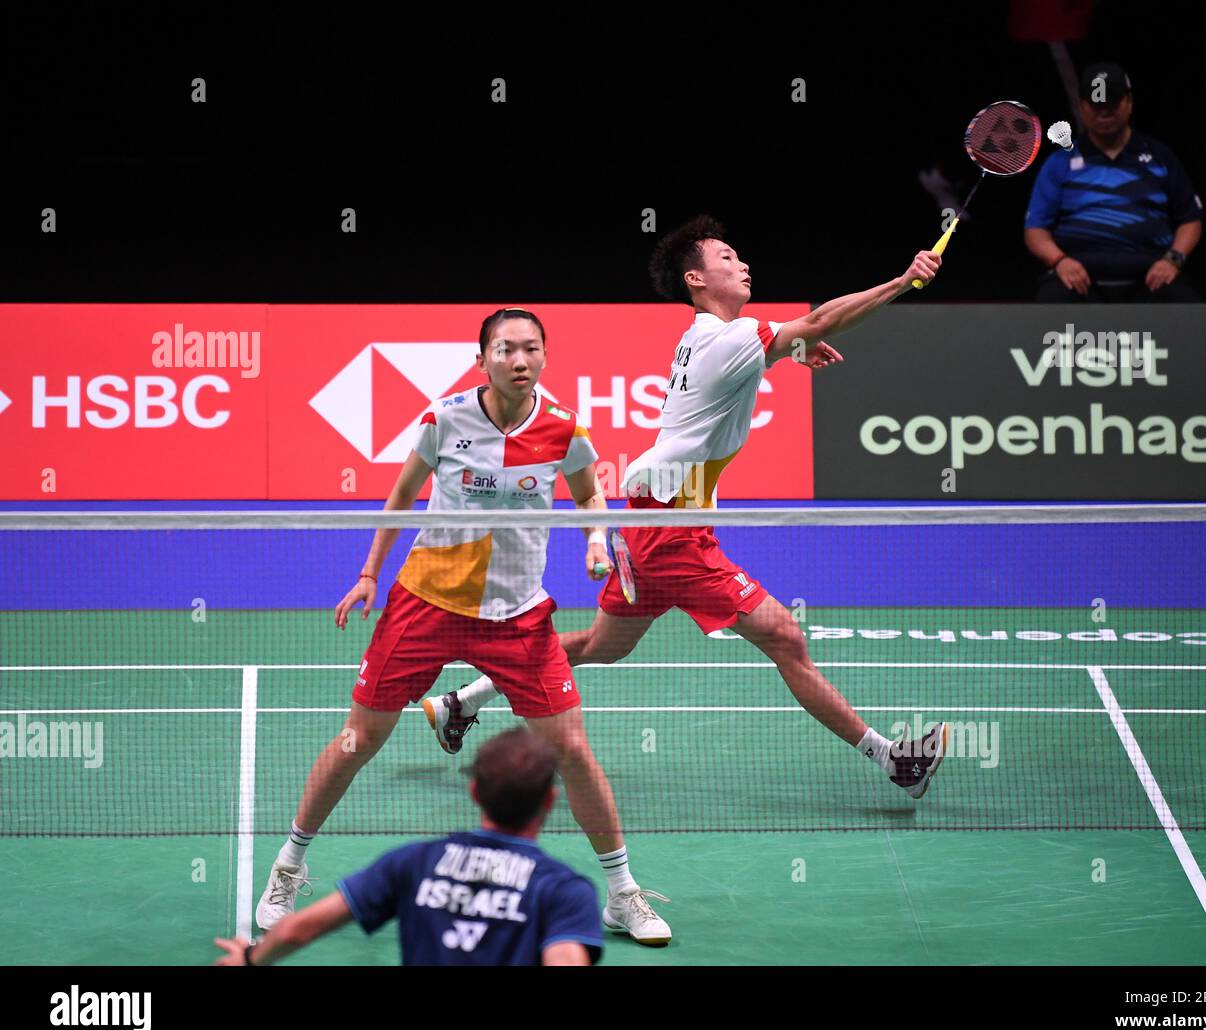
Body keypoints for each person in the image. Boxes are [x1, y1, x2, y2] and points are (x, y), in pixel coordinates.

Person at [433, 217, 951, 805]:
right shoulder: (725, 337)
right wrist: (903, 281)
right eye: (728, 257)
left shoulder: (713, 338)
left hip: (657, 511)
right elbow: (821, 319)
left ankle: (463, 700)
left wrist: (790, 350)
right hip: (672, 525)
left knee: (606, 646)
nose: (744, 264)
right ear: (697, 278)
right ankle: (895, 760)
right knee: (783, 636)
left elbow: (782, 346)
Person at [253, 308, 671, 947]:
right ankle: (289, 865)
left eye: (531, 348)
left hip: (517, 615)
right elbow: (401, 496)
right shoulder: (443, 419)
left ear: (544, 356)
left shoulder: (564, 428)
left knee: (573, 752)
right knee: (357, 741)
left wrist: (594, 539)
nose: (520, 360)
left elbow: (590, 496)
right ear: (483, 359)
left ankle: (621, 894)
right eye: (506, 349)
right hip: (426, 603)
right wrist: (368, 573)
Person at [216, 728, 603, 966]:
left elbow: (297, 930)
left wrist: (250, 959)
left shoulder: (415, 863)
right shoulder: (565, 890)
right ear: (550, 801)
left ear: (474, 792)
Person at [1025, 60, 1204, 302]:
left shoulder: (1161, 157)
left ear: (1129, 102)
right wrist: (1060, 261)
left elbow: (1190, 220)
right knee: (1051, 298)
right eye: (1096, 104)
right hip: (1079, 275)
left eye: (1112, 102)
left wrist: (1172, 260)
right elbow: (1035, 230)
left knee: (1184, 301)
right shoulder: (1060, 162)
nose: (1105, 111)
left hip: (1150, 274)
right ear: (1081, 106)